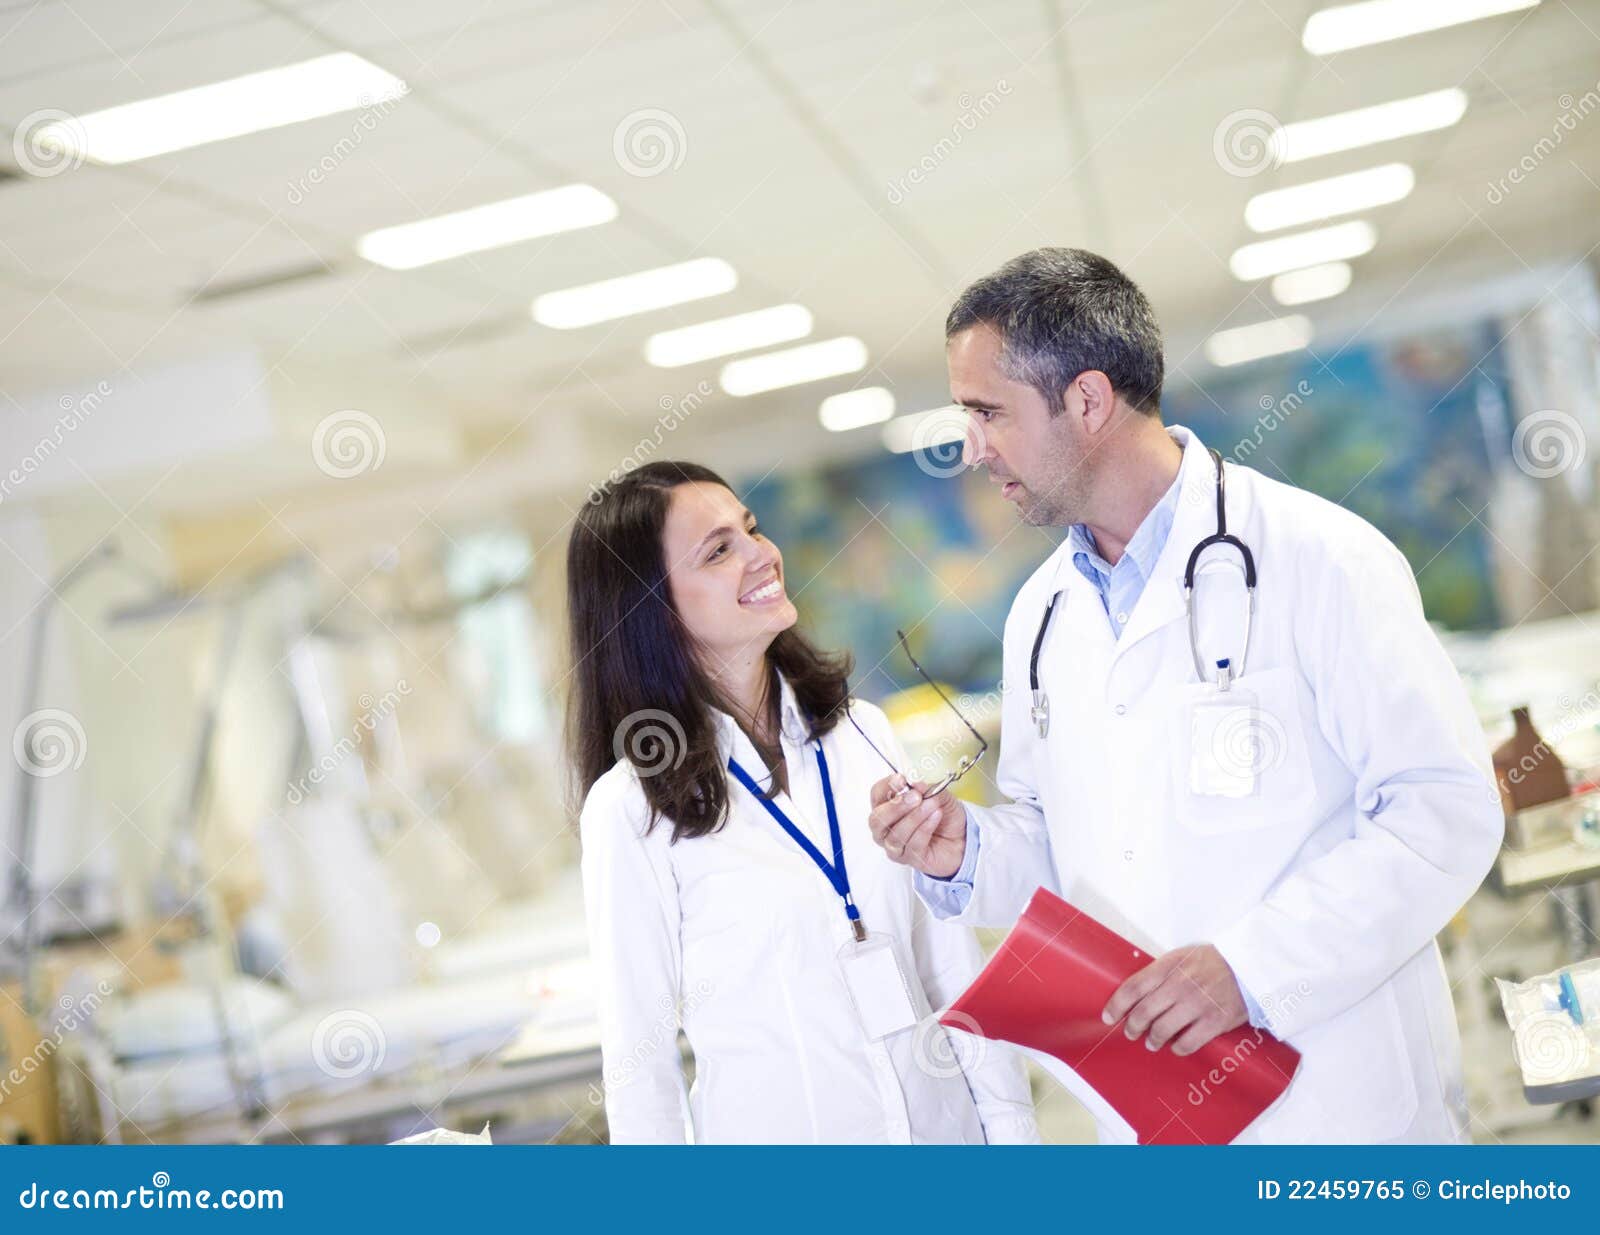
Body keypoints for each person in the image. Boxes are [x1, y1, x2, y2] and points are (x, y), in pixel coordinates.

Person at [867, 247, 1502, 1144]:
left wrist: (1248, 968)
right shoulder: (1043, 618)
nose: (970, 448)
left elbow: (1442, 812)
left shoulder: (1319, 558)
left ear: (1087, 401)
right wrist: (963, 848)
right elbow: (1070, 848)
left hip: (1337, 1109)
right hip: (1150, 1114)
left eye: (987, 413)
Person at [567, 460, 1038, 1145]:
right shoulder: (630, 811)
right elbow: (641, 1065)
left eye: (751, 529)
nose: (762, 554)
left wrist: (1012, 1135)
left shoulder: (862, 733)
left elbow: (949, 962)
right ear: (651, 608)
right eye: (720, 550)